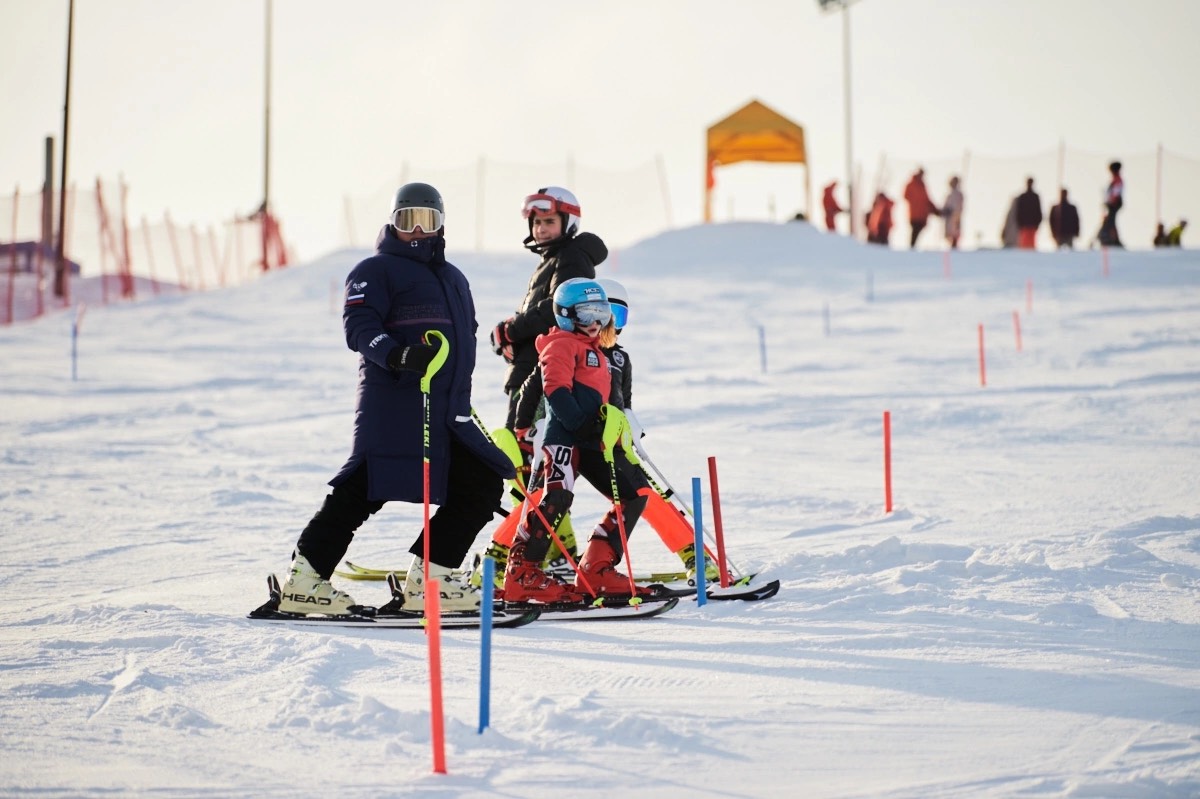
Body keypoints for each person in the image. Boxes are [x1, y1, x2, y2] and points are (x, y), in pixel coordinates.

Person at [276, 182, 515, 616]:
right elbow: (359, 327)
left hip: (446, 409)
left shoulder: (454, 278)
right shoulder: (375, 269)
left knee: (480, 482)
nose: (419, 230)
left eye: (430, 220)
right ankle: (305, 580)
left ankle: (432, 579)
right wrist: (397, 353)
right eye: (409, 220)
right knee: (365, 487)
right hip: (395, 403)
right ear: (393, 222)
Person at [502, 278, 653, 603]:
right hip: (564, 440)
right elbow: (555, 390)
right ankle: (522, 573)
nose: (595, 322)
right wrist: (573, 424)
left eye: (601, 313)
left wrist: (616, 426)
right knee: (556, 499)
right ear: (566, 315)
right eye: (586, 315)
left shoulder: (597, 350)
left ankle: (596, 569)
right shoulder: (560, 345)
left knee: (635, 494)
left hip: (593, 441)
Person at [490, 187, 607, 434]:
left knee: (524, 444)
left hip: (544, 368)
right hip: (531, 364)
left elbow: (558, 307)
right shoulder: (552, 258)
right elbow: (540, 309)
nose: (541, 229)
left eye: (549, 222)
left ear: (569, 222)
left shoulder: (571, 257)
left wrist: (510, 330)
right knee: (519, 444)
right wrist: (513, 340)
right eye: (537, 222)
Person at [902, 168, 939, 248]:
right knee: (915, 230)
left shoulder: (923, 186)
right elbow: (906, 196)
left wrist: (935, 210)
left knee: (917, 230)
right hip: (914, 214)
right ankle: (912, 247)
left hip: (922, 215)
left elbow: (927, 200)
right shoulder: (912, 184)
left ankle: (913, 247)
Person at [1098, 161, 1124, 248]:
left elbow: (1115, 194)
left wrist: (1110, 202)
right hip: (1112, 204)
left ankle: (1114, 240)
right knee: (1111, 222)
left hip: (1114, 204)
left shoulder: (1117, 180)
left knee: (1111, 222)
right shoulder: (1115, 180)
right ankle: (1113, 239)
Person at [1014, 177, 1042, 250]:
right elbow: (1018, 212)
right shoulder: (1022, 197)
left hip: (1032, 226)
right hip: (1024, 226)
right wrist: (1020, 224)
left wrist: (1037, 224)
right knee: (1024, 246)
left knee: (1032, 246)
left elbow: (1038, 211)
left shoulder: (1035, 197)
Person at [941, 175, 964, 249]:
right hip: (950, 218)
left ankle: (954, 247)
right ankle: (952, 246)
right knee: (950, 234)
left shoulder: (958, 194)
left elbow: (959, 207)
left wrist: (952, 212)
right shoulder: (950, 195)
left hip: (955, 218)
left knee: (954, 233)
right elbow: (946, 206)